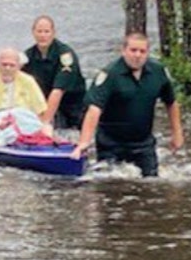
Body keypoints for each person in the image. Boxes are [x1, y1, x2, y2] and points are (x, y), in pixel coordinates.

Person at [71, 32, 184, 177]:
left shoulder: (158, 71)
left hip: (143, 143)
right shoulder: (110, 74)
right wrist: (84, 142)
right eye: (133, 50)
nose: (137, 55)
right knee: (112, 189)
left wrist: (177, 133)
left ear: (147, 53)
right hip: (111, 144)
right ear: (123, 51)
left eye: (142, 51)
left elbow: (171, 103)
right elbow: (94, 109)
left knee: (151, 184)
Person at [0, 47, 53, 146]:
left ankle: (46, 147)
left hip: (22, 122)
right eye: (4, 64)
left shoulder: (29, 81)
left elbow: (41, 111)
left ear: (19, 66)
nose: (8, 68)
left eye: (12, 65)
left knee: (47, 127)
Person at [22, 15, 87, 130]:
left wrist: (44, 123)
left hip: (72, 107)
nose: (43, 35)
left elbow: (57, 91)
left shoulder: (66, 56)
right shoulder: (28, 55)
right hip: (46, 104)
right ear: (33, 33)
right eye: (39, 31)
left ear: (53, 33)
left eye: (46, 31)